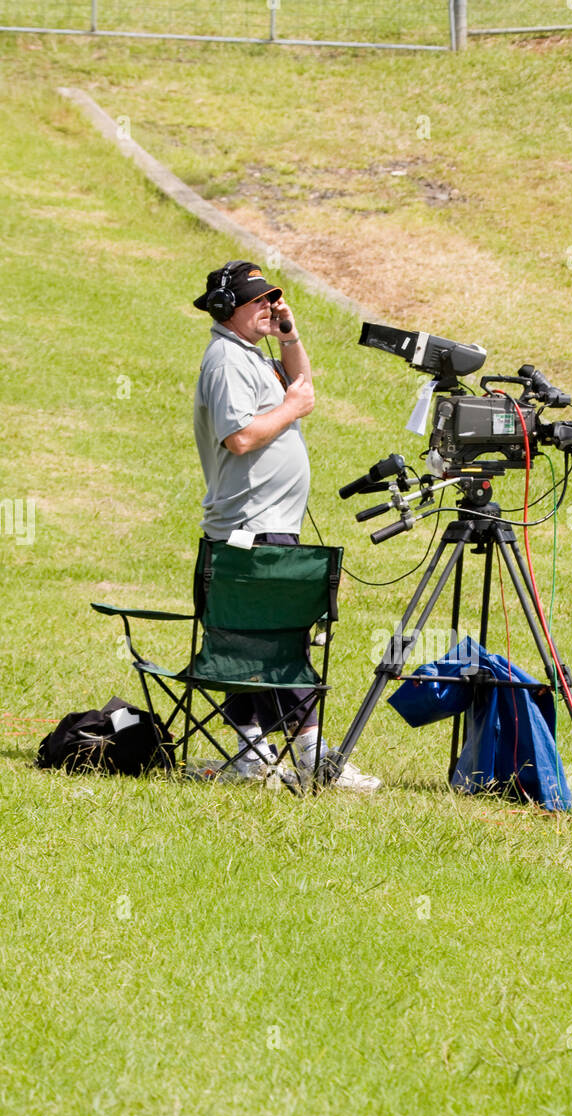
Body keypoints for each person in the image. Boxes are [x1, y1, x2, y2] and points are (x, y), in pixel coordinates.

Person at [192, 259, 379, 790]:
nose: (267, 309)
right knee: (279, 641)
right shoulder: (227, 361)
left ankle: (251, 755)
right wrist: (292, 407)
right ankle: (314, 759)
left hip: (265, 524)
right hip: (252, 526)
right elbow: (241, 438)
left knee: (246, 641)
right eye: (258, 302)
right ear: (228, 309)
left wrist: (289, 334)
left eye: (270, 300)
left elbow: (303, 383)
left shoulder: (251, 353)